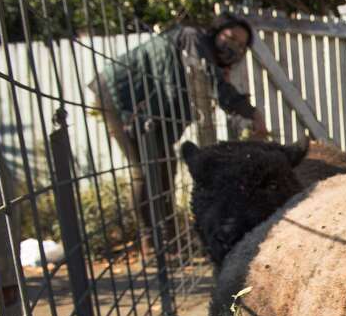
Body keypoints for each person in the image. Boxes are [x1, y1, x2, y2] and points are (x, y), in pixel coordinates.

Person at [90, 13, 266, 251]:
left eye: (241, 45)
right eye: (231, 37)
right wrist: (250, 113)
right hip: (120, 97)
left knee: (165, 165)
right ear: (217, 31)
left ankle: (171, 238)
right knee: (144, 169)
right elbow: (212, 82)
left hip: (151, 109)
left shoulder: (204, 53)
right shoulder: (193, 39)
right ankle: (152, 241)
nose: (234, 46)